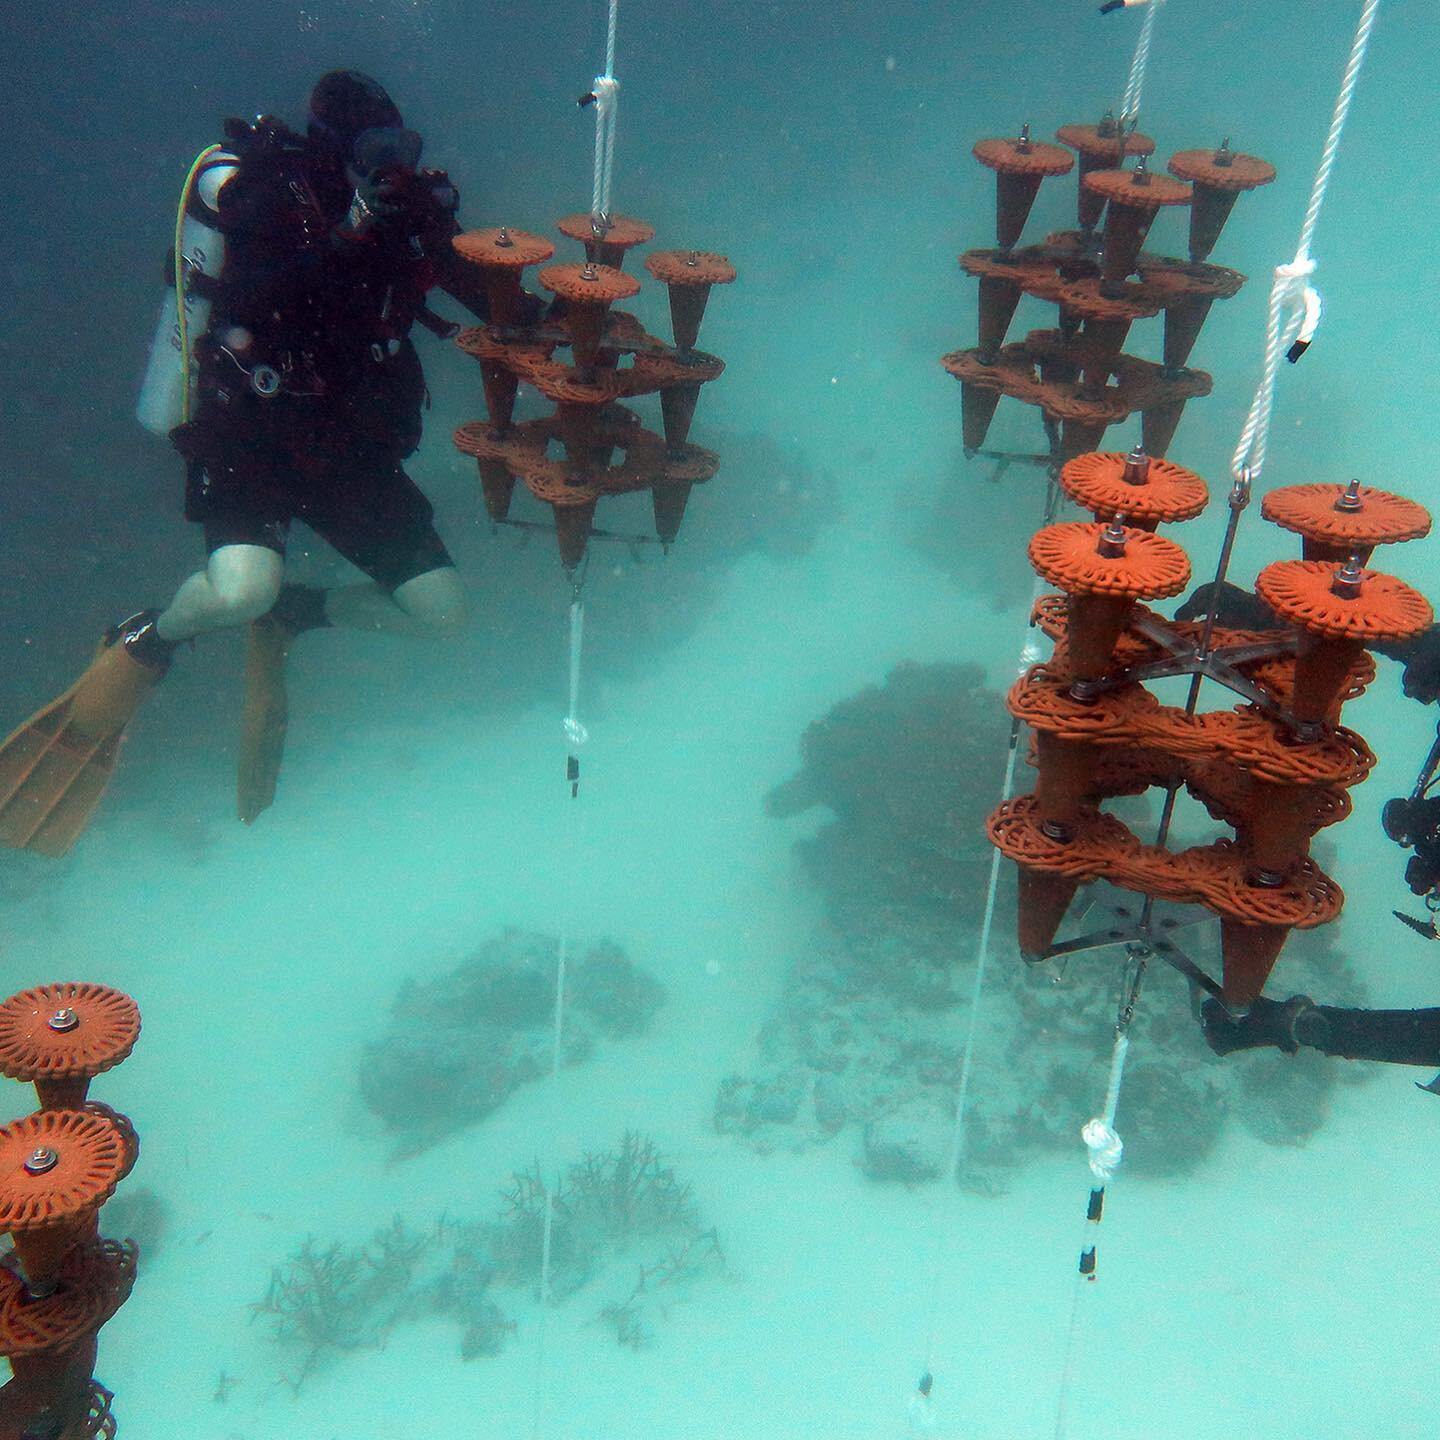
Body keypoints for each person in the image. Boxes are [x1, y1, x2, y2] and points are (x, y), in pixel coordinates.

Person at [0, 71, 522, 852]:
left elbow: (489, 299)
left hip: (348, 447)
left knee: (442, 615)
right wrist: (347, 232)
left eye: (401, 147)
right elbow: (250, 300)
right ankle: (155, 634)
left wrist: (571, 323)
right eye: (375, 149)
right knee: (240, 589)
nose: (391, 166)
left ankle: (301, 611)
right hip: (250, 434)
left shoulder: (404, 211)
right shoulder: (266, 194)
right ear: (334, 148)